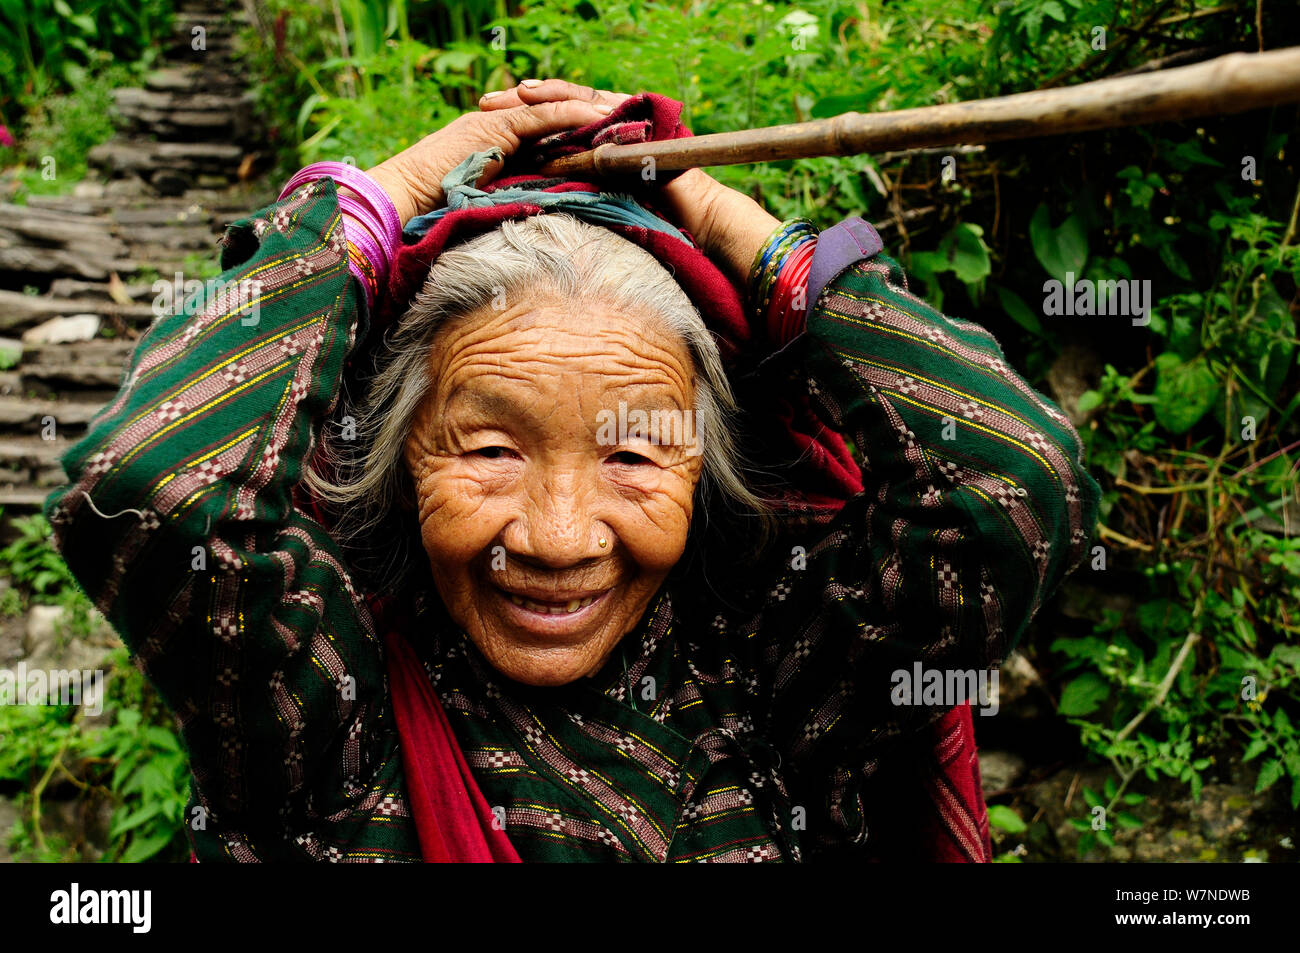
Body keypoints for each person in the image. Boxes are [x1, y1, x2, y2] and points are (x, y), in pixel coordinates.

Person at [47, 80, 1100, 862]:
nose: (558, 536)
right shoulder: (325, 707)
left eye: (635, 449)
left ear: (707, 470)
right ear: (405, 453)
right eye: (492, 446)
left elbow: (1011, 489)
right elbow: (153, 490)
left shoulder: (777, 683)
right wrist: (381, 198)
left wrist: (725, 217)